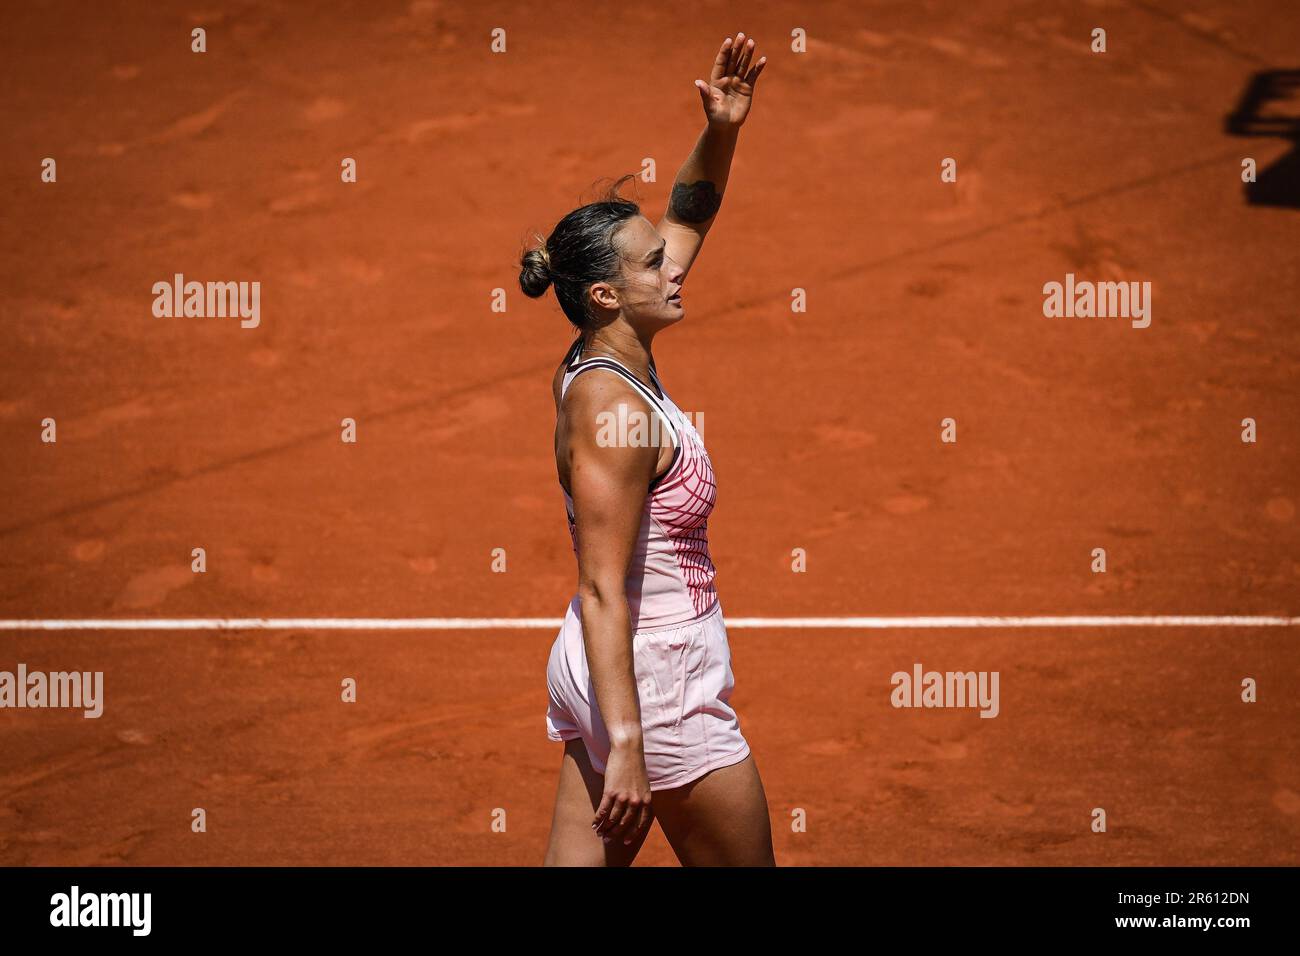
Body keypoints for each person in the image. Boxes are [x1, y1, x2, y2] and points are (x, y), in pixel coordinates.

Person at [519, 34, 774, 866]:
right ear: (605, 293)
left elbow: (691, 212)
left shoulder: (614, 348)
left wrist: (723, 129)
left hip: (613, 676)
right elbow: (600, 584)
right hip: (657, 686)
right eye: (654, 263)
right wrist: (627, 742)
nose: (676, 268)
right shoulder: (609, 409)